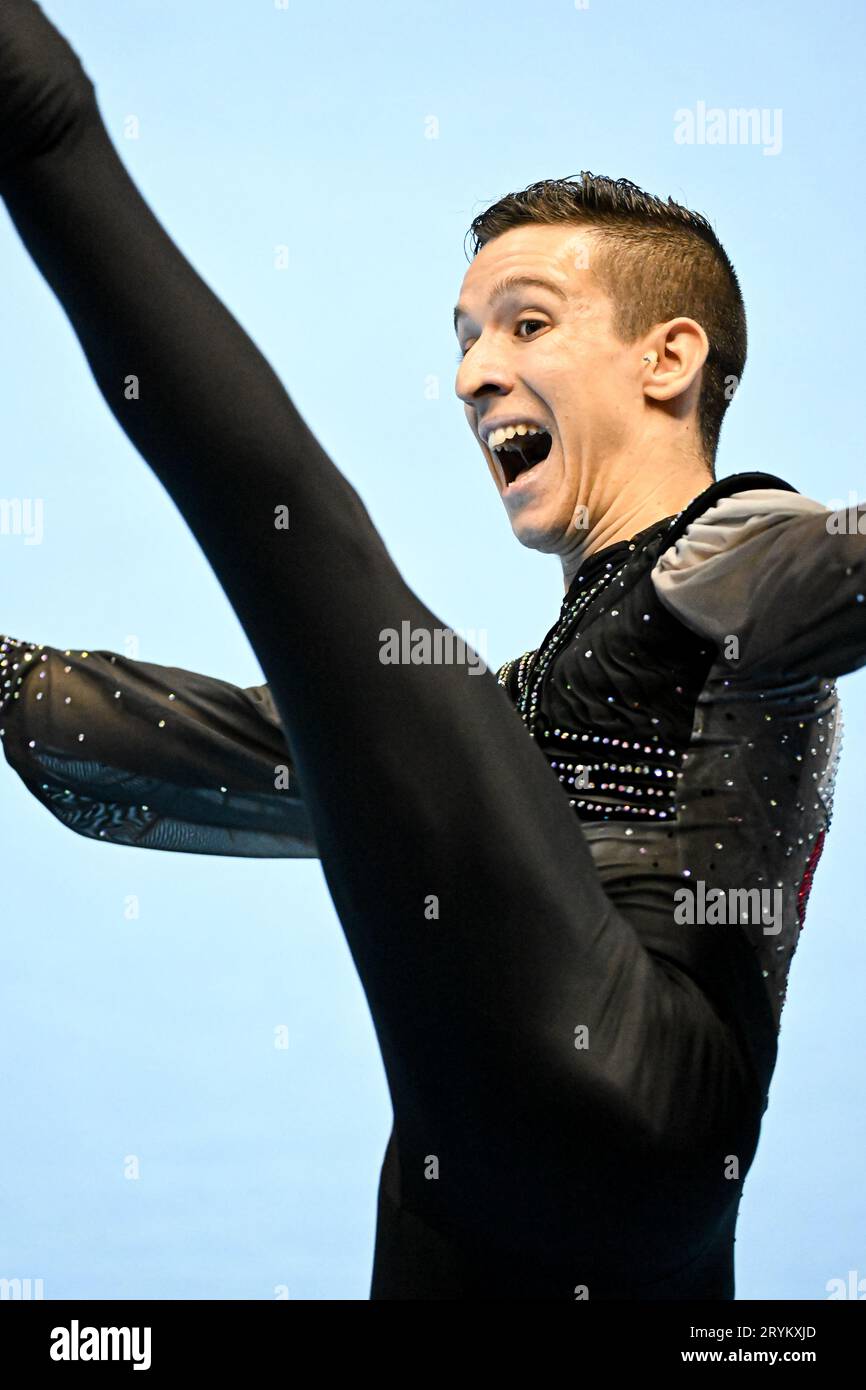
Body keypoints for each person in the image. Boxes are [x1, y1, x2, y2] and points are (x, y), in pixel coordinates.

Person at [0, 0, 858, 1299]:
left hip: (632, 1079)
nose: (469, 374)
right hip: (607, 1226)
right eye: (462, 339)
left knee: (344, 607)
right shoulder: (522, 713)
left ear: (667, 357)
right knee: (414, 1166)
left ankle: (35, 115)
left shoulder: (736, 548)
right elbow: (258, 749)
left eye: (521, 324)